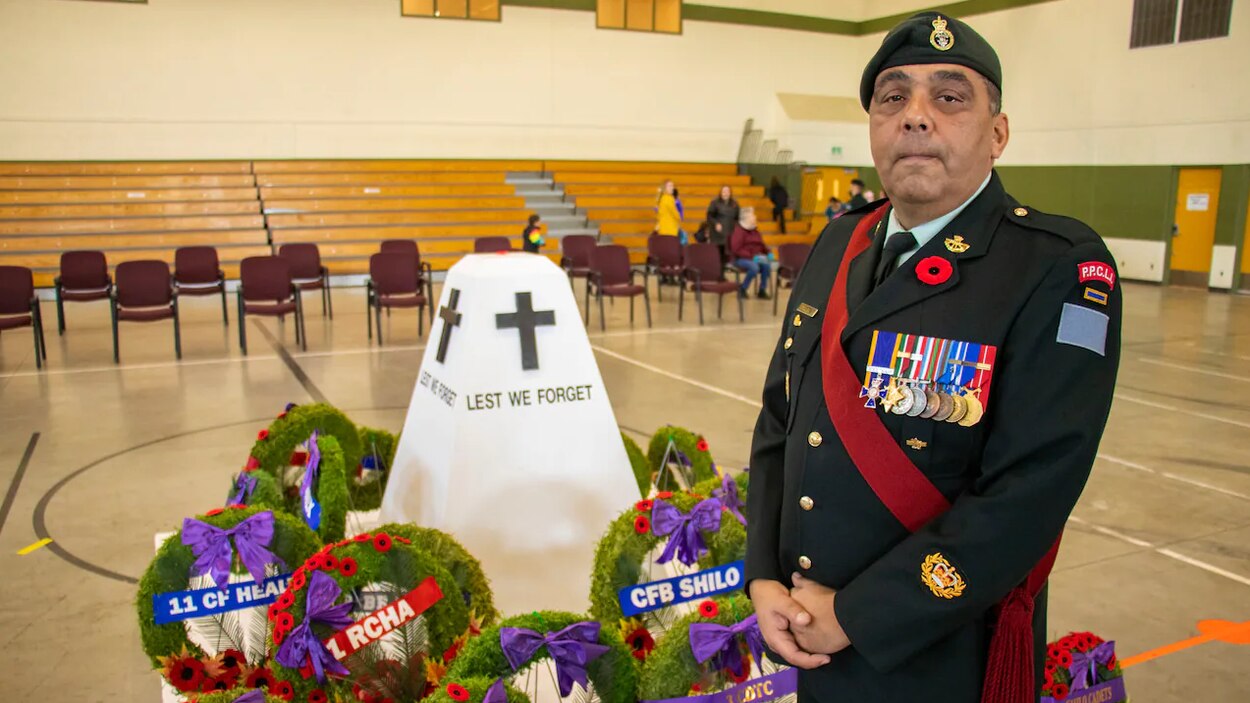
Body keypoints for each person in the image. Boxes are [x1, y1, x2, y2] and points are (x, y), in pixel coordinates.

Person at [746, 12, 1121, 703]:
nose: (915, 116)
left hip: (939, 650)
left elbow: (1030, 492)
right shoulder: (839, 244)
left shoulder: (1056, 267)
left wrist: (857, 615)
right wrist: (763, 572)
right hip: (807, 632)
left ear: (998, 133)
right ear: (873, 127)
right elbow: (782, 419)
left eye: (949, 97)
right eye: (893, 97)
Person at [729, 207, 770, 300]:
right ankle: (743, 288)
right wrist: (752, 257)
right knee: (754, 267)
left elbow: (762, 244)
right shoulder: (738, 231)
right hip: (740, 259)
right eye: (752, 216)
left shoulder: (755, 231)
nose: (755, 218)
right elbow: (736, 249)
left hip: (754, 258)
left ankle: (762, 290)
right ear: (746, 219)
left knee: (766, 266)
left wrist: (768, 252)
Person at [707, 185, 741, 260]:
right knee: (718, 253)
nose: (725, 193)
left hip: (730, 232)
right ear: (721, 193)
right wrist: (716, 223)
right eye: (724, 192)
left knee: (727, 253)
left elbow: (737, 218)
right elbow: (710, 216)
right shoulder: (715, 203)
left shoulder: (735, 204)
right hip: (717, 234)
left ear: (730, 193)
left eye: (727, 192)